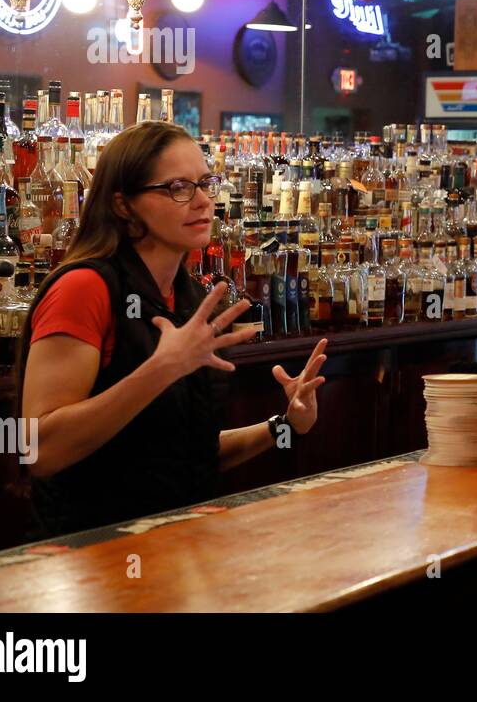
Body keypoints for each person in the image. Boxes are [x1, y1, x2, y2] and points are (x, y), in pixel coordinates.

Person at [16, 121, 328, 537]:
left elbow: (190, 453)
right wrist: (163, 368)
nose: (202, 202)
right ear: (124, 205)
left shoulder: (190, 299)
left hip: (177, 549)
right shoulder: (85, 287)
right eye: (178, 188)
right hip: (90, 559)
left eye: (206, 183)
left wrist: (285, 426)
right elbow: (40, 450)